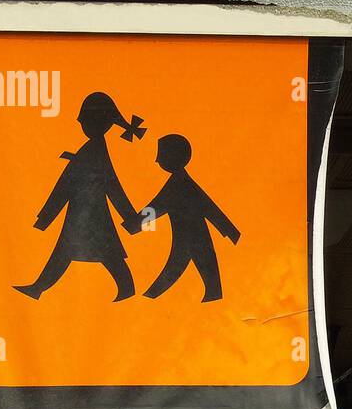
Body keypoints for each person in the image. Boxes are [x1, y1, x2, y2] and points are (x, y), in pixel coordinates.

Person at [15, 92, 146, 302]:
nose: (81, 125)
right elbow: (94, 179)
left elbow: (110, 184)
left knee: (92, 253)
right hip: (85, 214)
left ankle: (127, 289)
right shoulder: (92, 149)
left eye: (83, 121)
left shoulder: (94, 150)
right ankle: (38, 288)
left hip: (90, 216)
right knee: (72, 252)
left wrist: (131, 218)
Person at [142, 134, 240, 302]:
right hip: (197, 235)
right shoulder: (183, 180)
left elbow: (156, 207)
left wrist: (136, 225)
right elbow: (210, 208)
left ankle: (149, 297)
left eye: (161, 155)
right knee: (205, 274)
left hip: (188, 237)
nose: (157, 161)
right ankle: (152, 296)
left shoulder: (177, 184)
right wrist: (230, 231)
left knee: (179, 270)